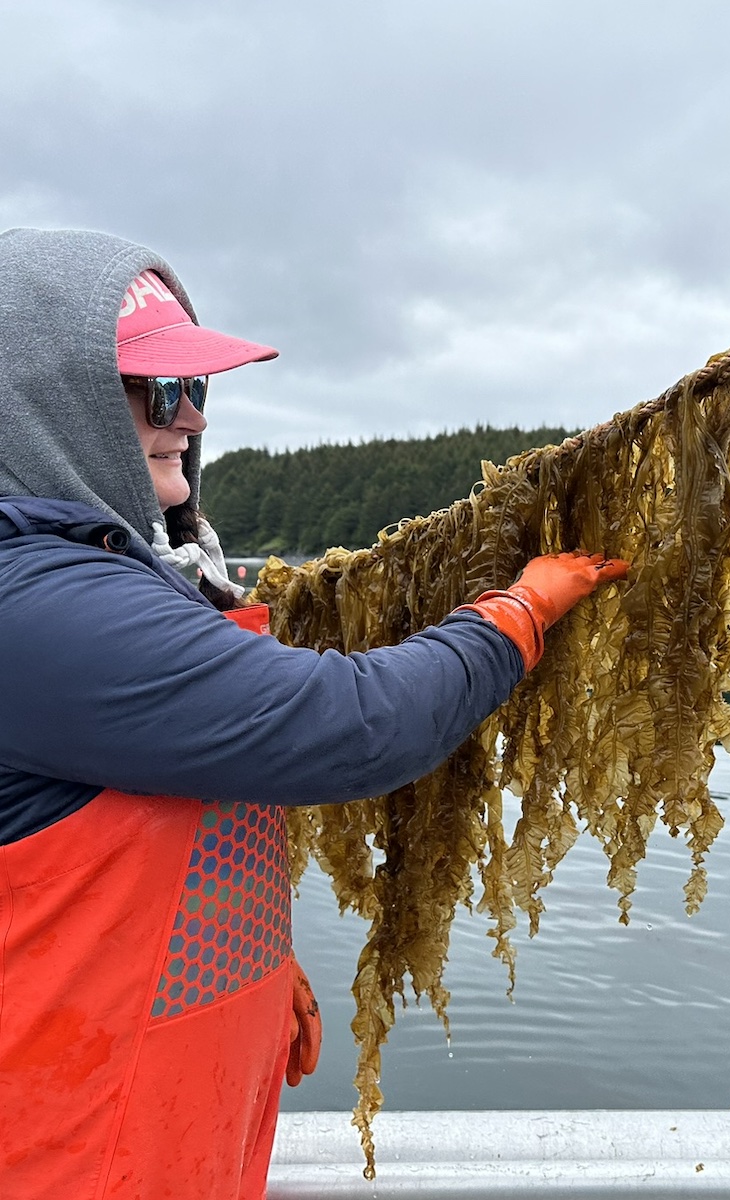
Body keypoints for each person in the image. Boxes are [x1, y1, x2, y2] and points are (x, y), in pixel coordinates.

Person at [0, 227, 628, 1199]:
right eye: (160, 393)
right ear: (44, 410)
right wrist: (513, 617)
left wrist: (241, 961)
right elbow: (352, 726)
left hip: (157, 1140)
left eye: (198, 391)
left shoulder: (111, 582)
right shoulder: (35, 605)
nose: (193, 422)